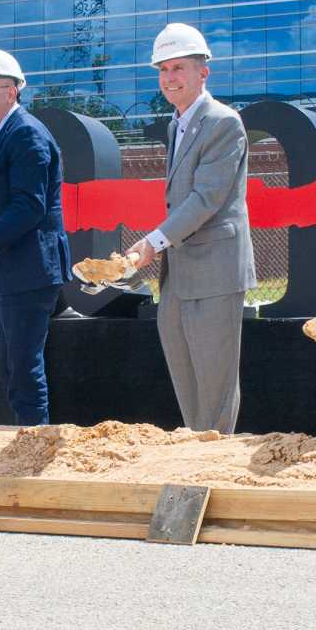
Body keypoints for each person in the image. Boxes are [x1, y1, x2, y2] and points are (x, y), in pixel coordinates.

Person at [123, 23, 256, 434]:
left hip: (214, 273)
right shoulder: (176, 125)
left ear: (204, 72)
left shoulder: (223, 123)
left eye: (178, 67)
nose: (169, 78)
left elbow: (205, 199)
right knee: (187, 382)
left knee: (215, 388)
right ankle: (197, 456)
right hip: (179, 277)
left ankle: (213, 465)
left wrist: (152, 243)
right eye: (162, 70)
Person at [0, 48, 69, 426]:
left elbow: (29, 207)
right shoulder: (1, 137)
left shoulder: (26, 135)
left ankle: (33, 443)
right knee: (13, 366)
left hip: (32, 270)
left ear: (13, 90)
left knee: (23, 366)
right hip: (14, 269)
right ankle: (26, 440)